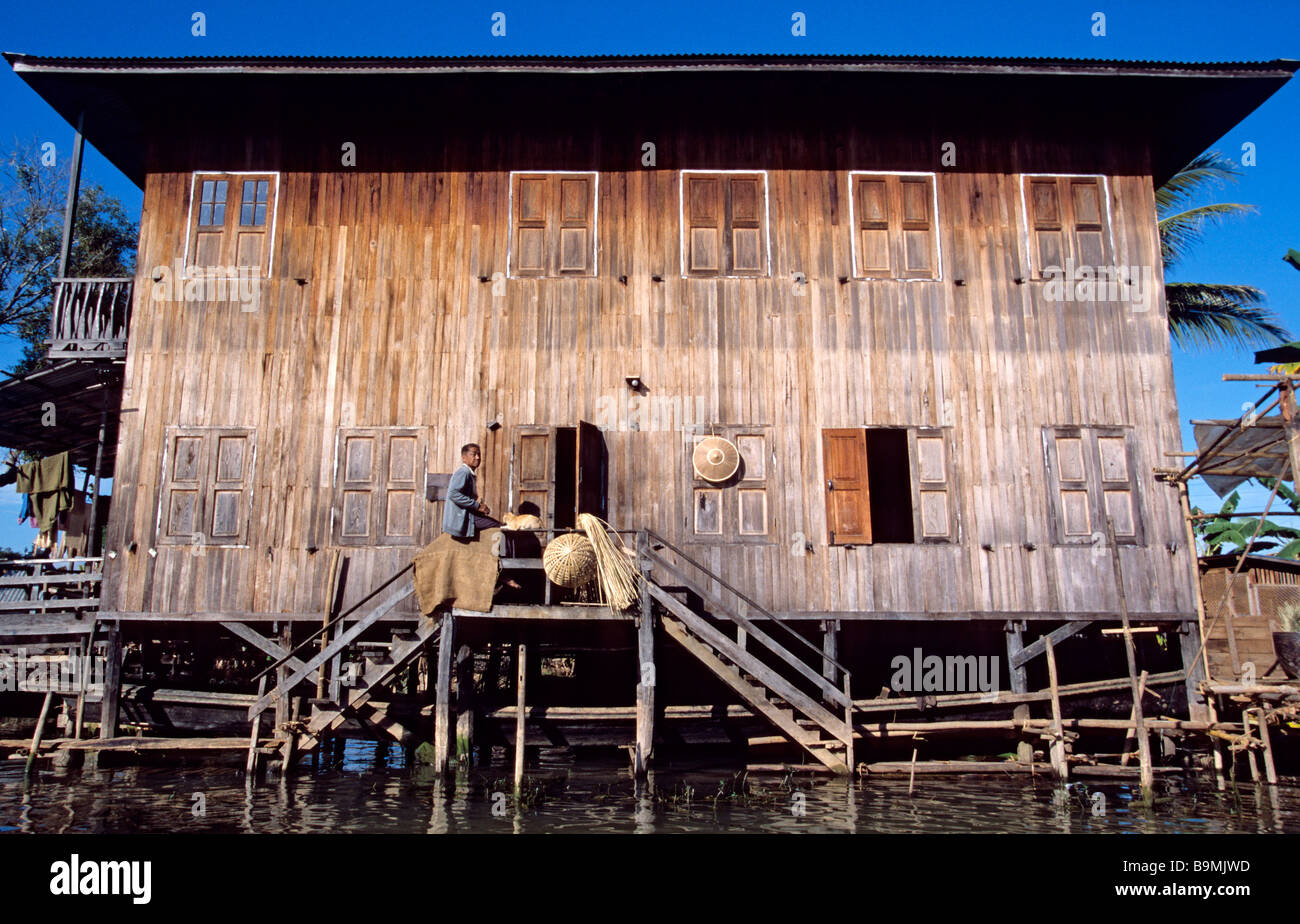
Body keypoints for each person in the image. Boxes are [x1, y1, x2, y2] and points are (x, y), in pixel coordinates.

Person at [442, 443, 500, 541]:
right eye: (473, 454)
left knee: (494, 523)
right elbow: (453, 494)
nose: (477, 458)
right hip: (463, 517)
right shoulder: (463, 472)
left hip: (468, 515)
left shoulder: (469, 473)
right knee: (500, 526)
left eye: (479, 454)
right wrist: (477, 506)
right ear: (464, 458)